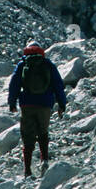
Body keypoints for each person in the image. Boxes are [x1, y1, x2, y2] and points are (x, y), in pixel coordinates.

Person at [7, 41, 67, 178]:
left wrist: (12, 103)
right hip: (45, 104)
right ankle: (44, 160)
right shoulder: (48, 64)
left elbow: (14, 84)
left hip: (27, 104)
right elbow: (58, 84)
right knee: (43, 132)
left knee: (27, 135)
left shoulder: (22, 65)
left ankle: (27, 170)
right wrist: (62, 104)